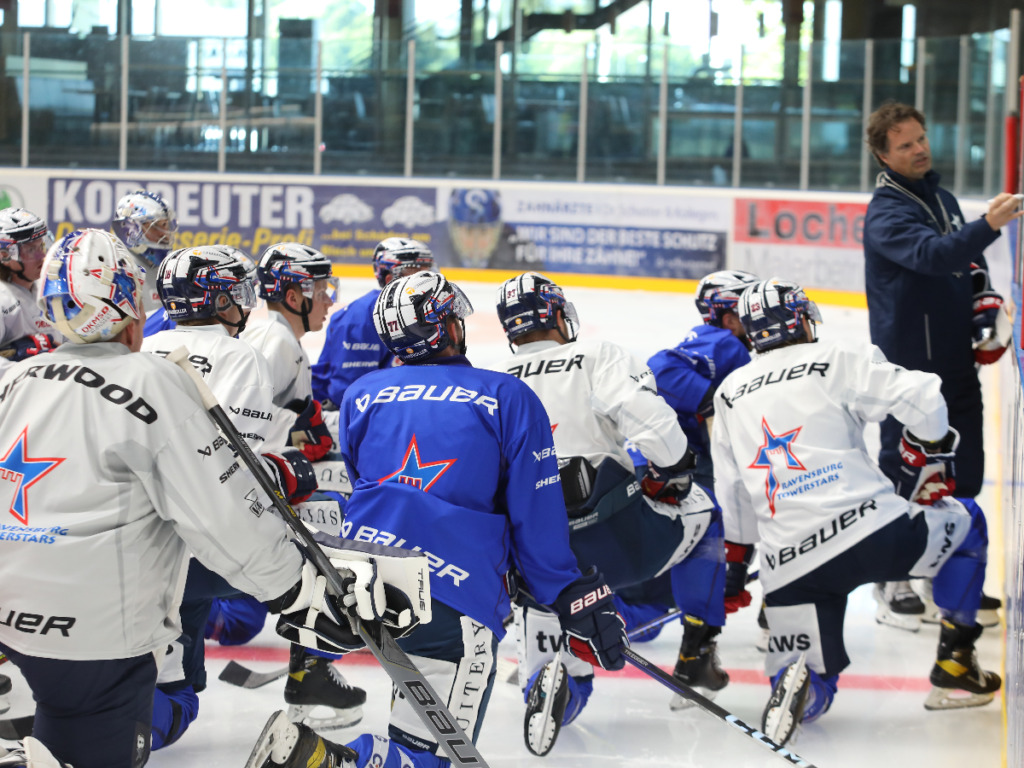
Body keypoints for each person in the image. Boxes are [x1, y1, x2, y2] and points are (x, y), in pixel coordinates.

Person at [0, 228, 425, 768]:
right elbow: (226, 507)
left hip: (16, 615)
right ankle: (309, 670)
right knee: (157, 706)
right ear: (129, 306)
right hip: (101, 628)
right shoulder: (152, 379)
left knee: (82, 708)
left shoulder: (18, 378)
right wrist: (300, 590)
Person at [246, 270, 628, 768]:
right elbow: (537, 520)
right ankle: (310, 758)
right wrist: (566, 593)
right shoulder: (507, 397)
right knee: (427, 760)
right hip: (451, 600)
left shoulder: (365, 394)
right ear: (449, 328)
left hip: (359, 585)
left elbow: (369, 481)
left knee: (418, 738)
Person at [711, 277, 1000, 746]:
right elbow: (926, 399)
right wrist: (927, 451)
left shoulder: (729, 392)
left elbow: (734, 493)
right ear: (802, 319)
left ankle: (801, 686)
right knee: (968, 525)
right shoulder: (837, 357)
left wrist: (737, 564)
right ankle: (956, 664)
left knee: (809, 677)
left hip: (788, 562)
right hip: (872, 532)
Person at [139, 244, 363, 747]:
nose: (247, 299)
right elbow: (231, 476)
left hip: (135, 539)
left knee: (179, 685)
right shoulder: (252, 350)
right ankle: (312, 674)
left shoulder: (145, 347)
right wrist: (289, 471)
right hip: (194, 543)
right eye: (319, 287)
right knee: (331, 536)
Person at [494, 271, 726, 750]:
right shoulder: (597, 355)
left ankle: (555, 666)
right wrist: (674, 471)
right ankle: (694, 645)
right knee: (706, 509)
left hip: (530, 563)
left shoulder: (492, 377)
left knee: (540, 570)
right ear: (558, 315)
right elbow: (653, 425)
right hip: (615, 544)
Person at [863, 102, 1020, 623]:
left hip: (955, 361)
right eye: (905, 144)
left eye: (921, 138)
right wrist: (989, 224)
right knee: (908, 471)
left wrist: (985, 308)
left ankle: (953, 576)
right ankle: (893, 580)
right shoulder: (887, 211)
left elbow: (967, 265)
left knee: (965, 471)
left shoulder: (941, 196)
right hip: (909, 370)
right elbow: (934, 256)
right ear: (883, 155)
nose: (919, 149)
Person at [311, 237, 434, 409]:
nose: (428, 280)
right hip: (341, 417)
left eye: (428, 271)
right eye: (417, 273)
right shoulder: (360, 319)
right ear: (391, 279)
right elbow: (350, 395)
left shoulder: (424, 312)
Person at [0, 208, 60, 376]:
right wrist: (27, 369)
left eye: (41, 245)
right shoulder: (3, 298)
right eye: (31, 250)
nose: (42, 256)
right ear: (4, 256)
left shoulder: (50, 288)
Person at [110, 189, 179, 317]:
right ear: (130, 229)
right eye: (155, 226)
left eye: (165, 225)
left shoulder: (172, 265)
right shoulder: (116, 269)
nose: (164, 233)